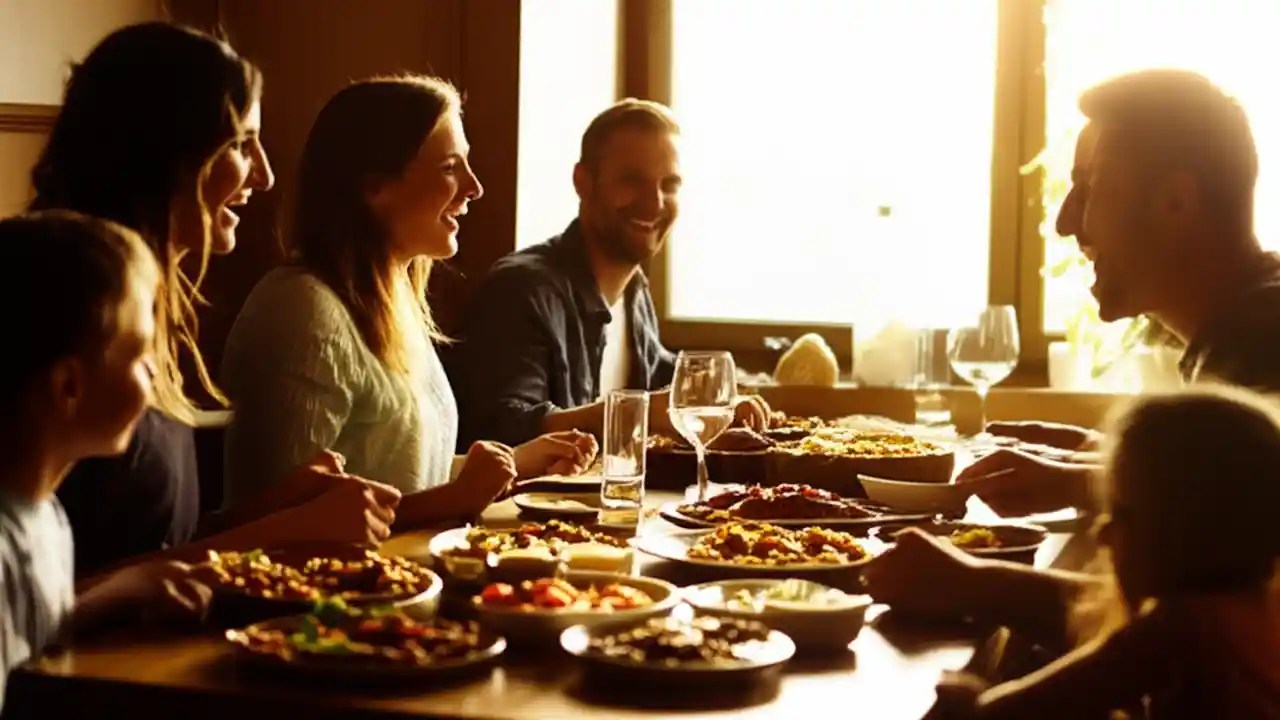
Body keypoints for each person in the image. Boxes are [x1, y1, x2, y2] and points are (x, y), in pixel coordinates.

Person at [29, 22, 399, 578]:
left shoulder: (145, 304)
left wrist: (273, 511)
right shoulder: (57, 308)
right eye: (239, 145)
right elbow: (36, 594)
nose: (266, 175)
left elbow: (146, 544)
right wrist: (279, 535)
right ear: (165, 152)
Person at [221, 75, 597, 526]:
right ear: (374, 188)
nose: (474, 187)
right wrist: (457, 498)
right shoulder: (303, 311)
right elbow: (283, 520)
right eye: (449, 168)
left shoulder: (391, 299)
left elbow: (394, 477)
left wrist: (515, 463)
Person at [956, 68, 1280, 516]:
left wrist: (978, 582)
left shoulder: (1259, 343)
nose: (1066, 222)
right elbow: (1232, 486)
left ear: (1175, 203)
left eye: (1088, 188)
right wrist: (1108, 460)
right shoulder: (1247, 323)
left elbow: (1235, 532)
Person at [921, 385, 1280, 719]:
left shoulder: (1177, 632)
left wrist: (960, 694)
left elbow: (1008, 712)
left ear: (1186, 529)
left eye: (1121, 513)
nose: (1102, 533)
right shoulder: (1259, 612)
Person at [448, 98, 771, 450]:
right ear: (582, 182)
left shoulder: (634, 291)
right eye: (633, 180)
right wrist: (640, 412)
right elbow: (501, 428)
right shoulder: (520, 290)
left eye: (670, 185)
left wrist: (722, 399)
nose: (655, 203)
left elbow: (659, 372)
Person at [0, 212, 211, 709]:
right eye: (139, 354)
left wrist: (128, 589)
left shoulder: (45, 516)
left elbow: (36, 634)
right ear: (69, 387)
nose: (155, 369)